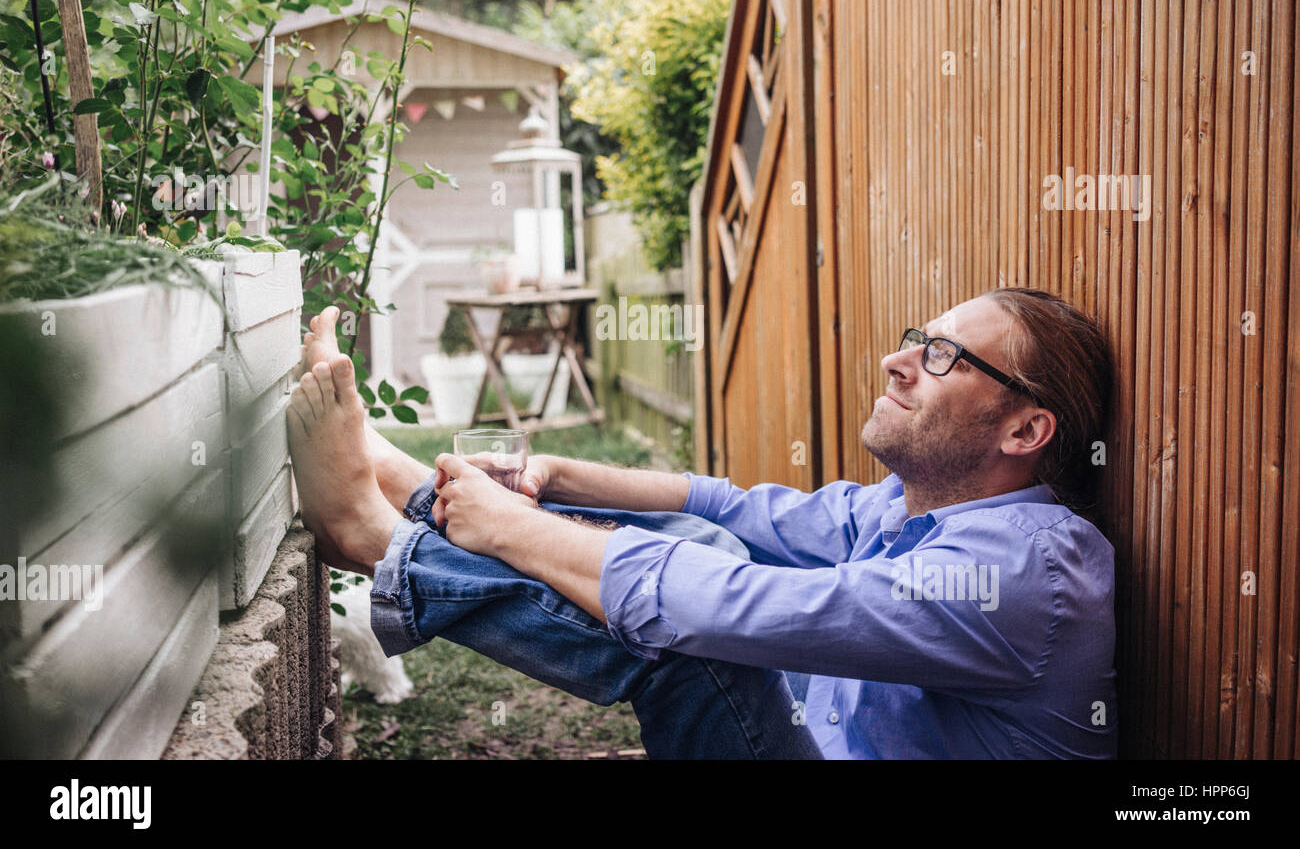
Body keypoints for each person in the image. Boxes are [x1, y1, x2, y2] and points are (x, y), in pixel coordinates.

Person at [287, 287, 1116, 758]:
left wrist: (512, 527)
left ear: (1023, 431)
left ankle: (376, 537)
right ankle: (403, 486)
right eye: (915, 339)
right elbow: (730, 508)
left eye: (942, 356)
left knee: (696, 640)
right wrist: (551, 473)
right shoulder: (916, 511)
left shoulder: (1019, 573)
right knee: (706, 546)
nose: (899, 361)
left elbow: (743, 609)